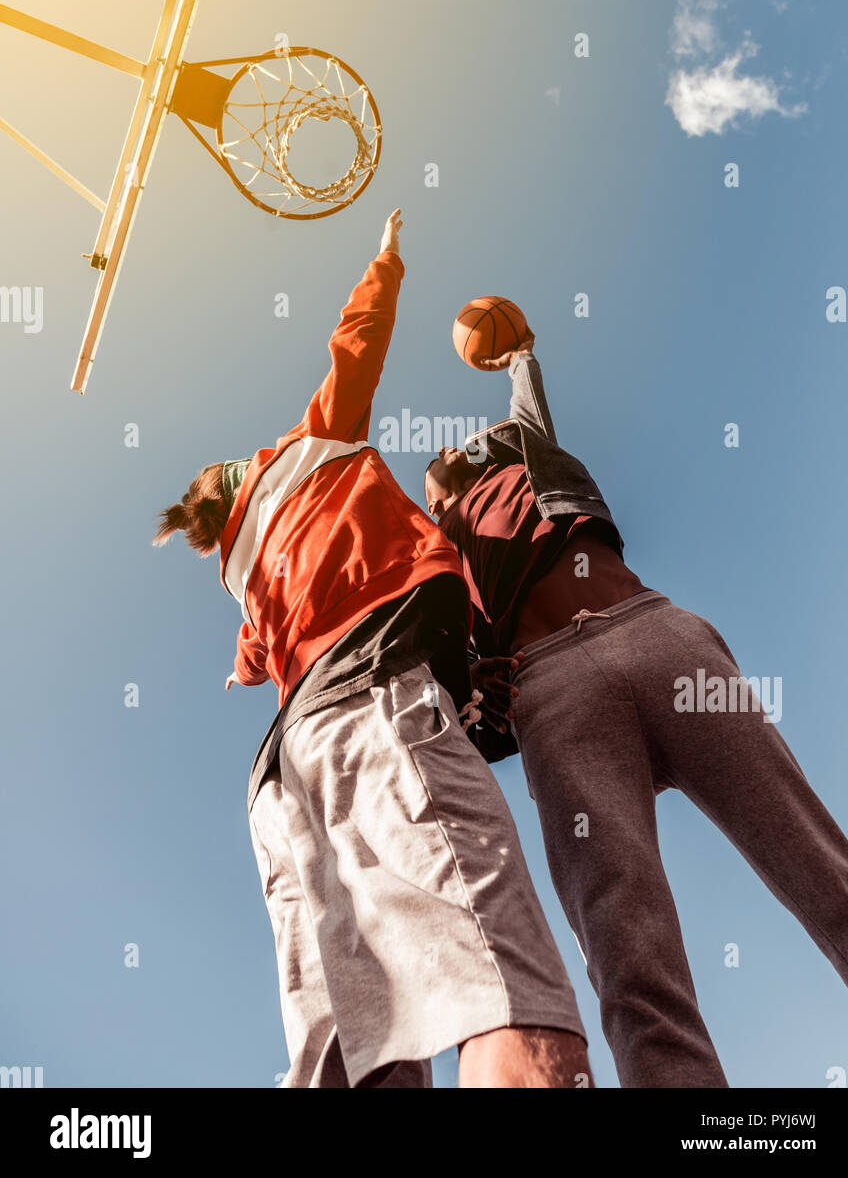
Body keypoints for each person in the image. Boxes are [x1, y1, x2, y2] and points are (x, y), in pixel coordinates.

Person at [154, 213, 591, 1090]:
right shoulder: (306, 450)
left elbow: (252, 658)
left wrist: (245, 665)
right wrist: (386, 261)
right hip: (373, 709)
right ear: (238, 475)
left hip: (284, 781)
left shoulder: (243, 575)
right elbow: (358, 340)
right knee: (501, 992)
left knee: (358, 1057)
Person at [425, 332, 848, 1088]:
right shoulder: (438, 547)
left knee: (827, 874)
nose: (448, 454)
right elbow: (445, 670)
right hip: (551, 688)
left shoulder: (530, 457)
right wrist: (473, 684)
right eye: (436, 463)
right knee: (629, 956)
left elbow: (527, 410)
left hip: (657, 635)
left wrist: (520, 353)